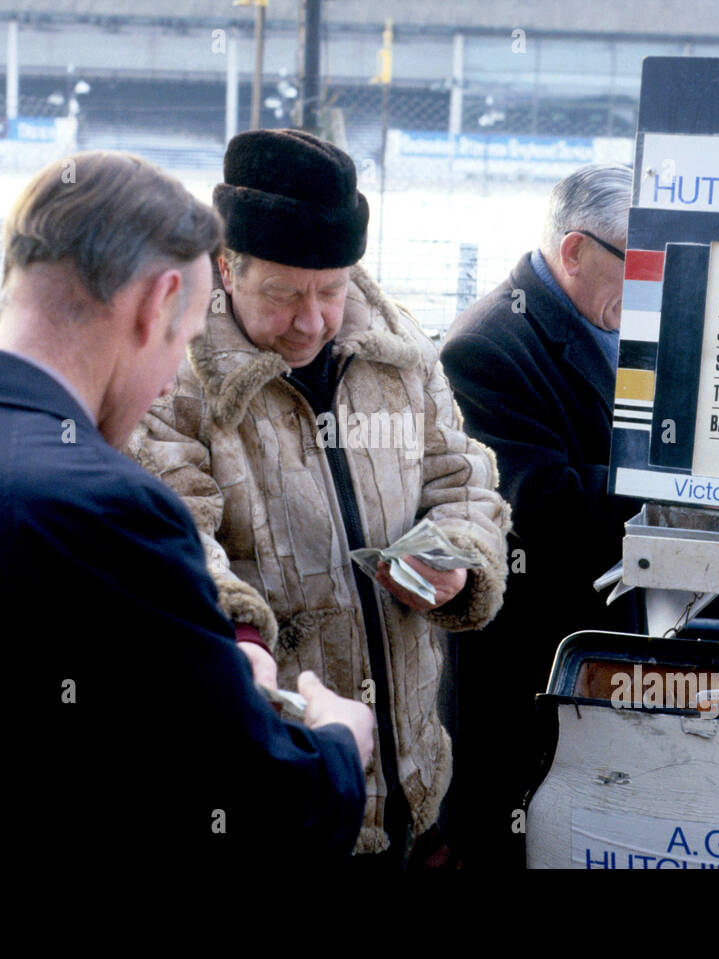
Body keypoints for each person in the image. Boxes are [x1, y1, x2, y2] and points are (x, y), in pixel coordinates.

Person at [0, 151, 373, 868]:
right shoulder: (106, 508)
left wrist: (204, 682)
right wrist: (342, 742)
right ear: (158, 302)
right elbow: (251, 807)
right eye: (178, 343)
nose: (159, 393)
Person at [128, 129, 509, 865]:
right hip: (273, 787)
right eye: (283, 294)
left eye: (331, 290)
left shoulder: (396, 344)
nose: (311, 321)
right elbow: (174, 540)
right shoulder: (171, 376)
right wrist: (243, 632)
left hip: (413, 782)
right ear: (225, 268)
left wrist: (459, 560)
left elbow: (463, 478)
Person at [438, 162, 643, 868]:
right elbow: (539, 505)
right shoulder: (484, 347)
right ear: (576, 252)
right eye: (638, 267)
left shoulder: (599, 316)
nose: (653, 288)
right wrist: (666, 482)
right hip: (523, 671)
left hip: (584, 649)